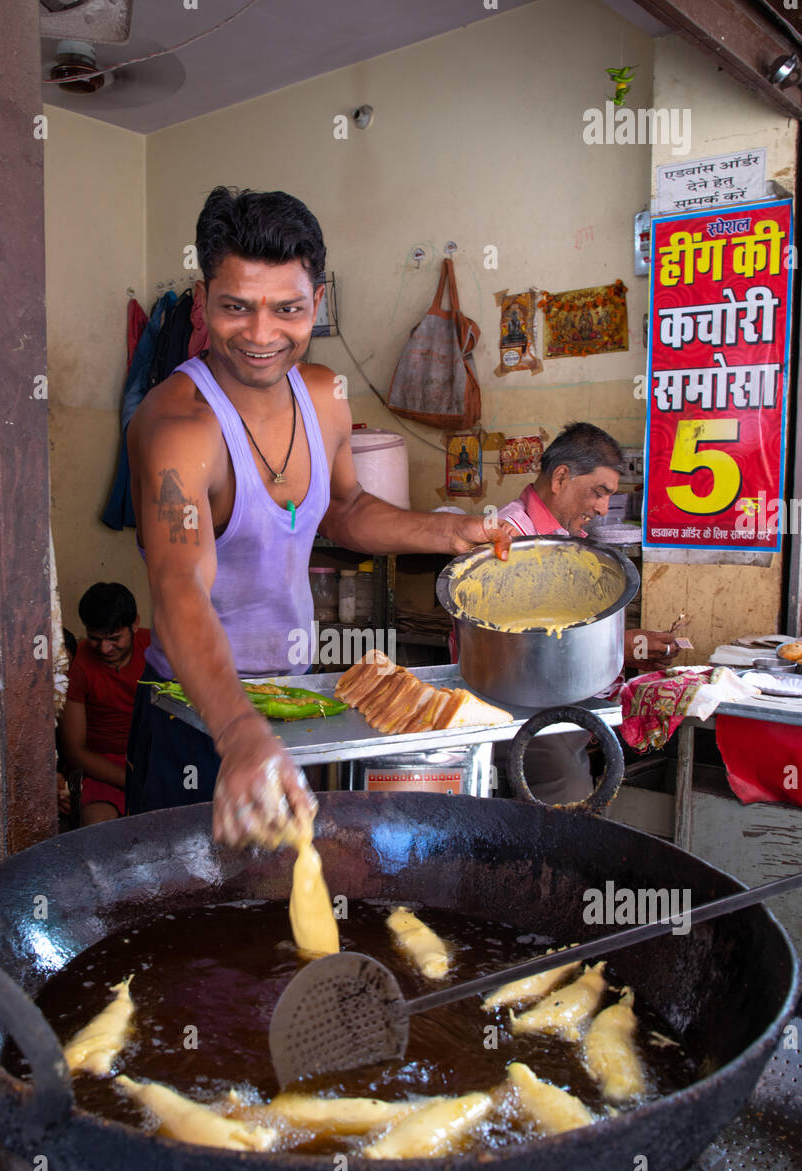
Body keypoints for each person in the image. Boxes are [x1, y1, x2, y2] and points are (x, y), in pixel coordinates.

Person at [126, 185, 513, 845]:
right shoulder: (177, 426)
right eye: (235, 308)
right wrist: (241, 732)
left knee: (287, 912)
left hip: (298, 703)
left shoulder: (323, 391)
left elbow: (344, 508)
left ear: (318, 303)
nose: (260, 335)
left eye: (287, 309)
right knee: (188, 926)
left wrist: (451, 531)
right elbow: (177, 585)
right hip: (197, 716)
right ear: (202, 301)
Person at [496, 422, 678, 804]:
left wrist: (629, 647)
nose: (602, 508)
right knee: (569, 808)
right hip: (523, 712)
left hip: (560, 704)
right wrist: (617, 646)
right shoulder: (511, 535)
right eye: (599, 492)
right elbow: (521, 641)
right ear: (561, 477)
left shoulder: (565, 539)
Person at [60, 583, 151, 825]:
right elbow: (75, 751)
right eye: (95, 638)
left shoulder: (155, 648)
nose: (104, 648)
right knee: (99, 834)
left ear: (135, 624)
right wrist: (131, 780)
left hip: (152, 758)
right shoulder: (77, 666)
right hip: (101, 768)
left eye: (114, 638)